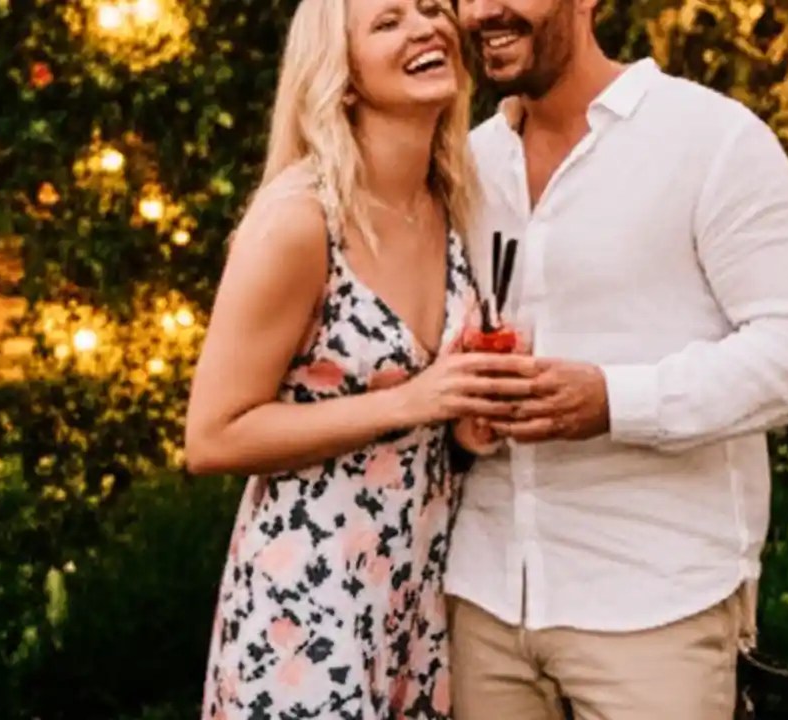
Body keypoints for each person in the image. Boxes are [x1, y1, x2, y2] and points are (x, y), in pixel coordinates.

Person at [446, 0, 788, 718]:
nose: (482, 11)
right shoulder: (466, 161)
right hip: (482, 596)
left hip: (657, 603)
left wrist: (615, 401)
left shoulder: (712, 140)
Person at [183, 0, 537, 717]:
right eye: (388, 21)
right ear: (342, 75)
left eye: (433, 9)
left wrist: (464, 427)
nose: (426, 28)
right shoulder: (299, 220)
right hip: (307, 599)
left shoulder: (452, 201)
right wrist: (413, 402)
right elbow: (212, 436)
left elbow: (432, 409)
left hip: (416, 596)